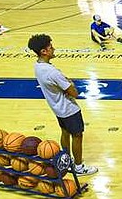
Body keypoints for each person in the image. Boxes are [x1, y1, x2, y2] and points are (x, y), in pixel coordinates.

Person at [30, 33, 98, 175]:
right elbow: (74, 93)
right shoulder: (52, 72)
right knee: (77, 135)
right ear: (44, 51)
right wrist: (70, 84)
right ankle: (79, 167)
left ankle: (66, 161)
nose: (53, 49)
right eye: (50, 47)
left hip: (56, 107)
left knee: (65, 132)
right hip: (68, 109)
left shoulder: (38, 66)